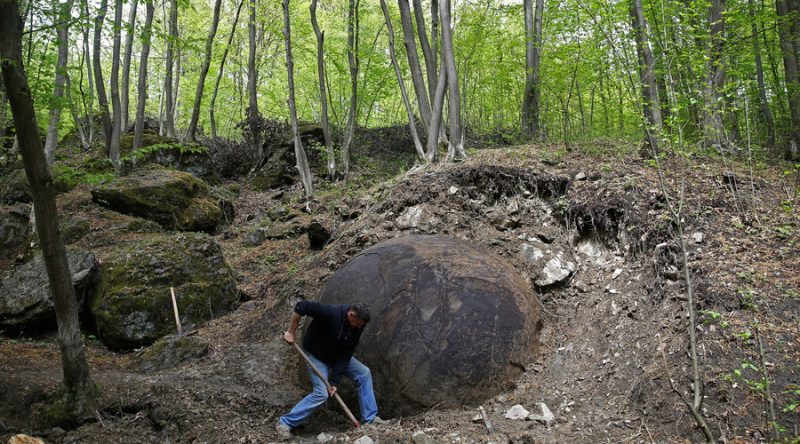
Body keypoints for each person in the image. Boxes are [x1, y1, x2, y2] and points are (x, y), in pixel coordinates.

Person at [276, 301, 382, 438]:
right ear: (351, 314)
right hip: (316, 355)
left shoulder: (358, 325)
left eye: (361, 324)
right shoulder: (331, 312)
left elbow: (346, 354)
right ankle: (285, 423)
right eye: (358, 323)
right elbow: (301, 306)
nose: (360, 326)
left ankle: (370, 420)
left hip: (336, 355)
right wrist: (291, 332)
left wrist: (334, 382)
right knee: (321, 393)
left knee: (364, 373)